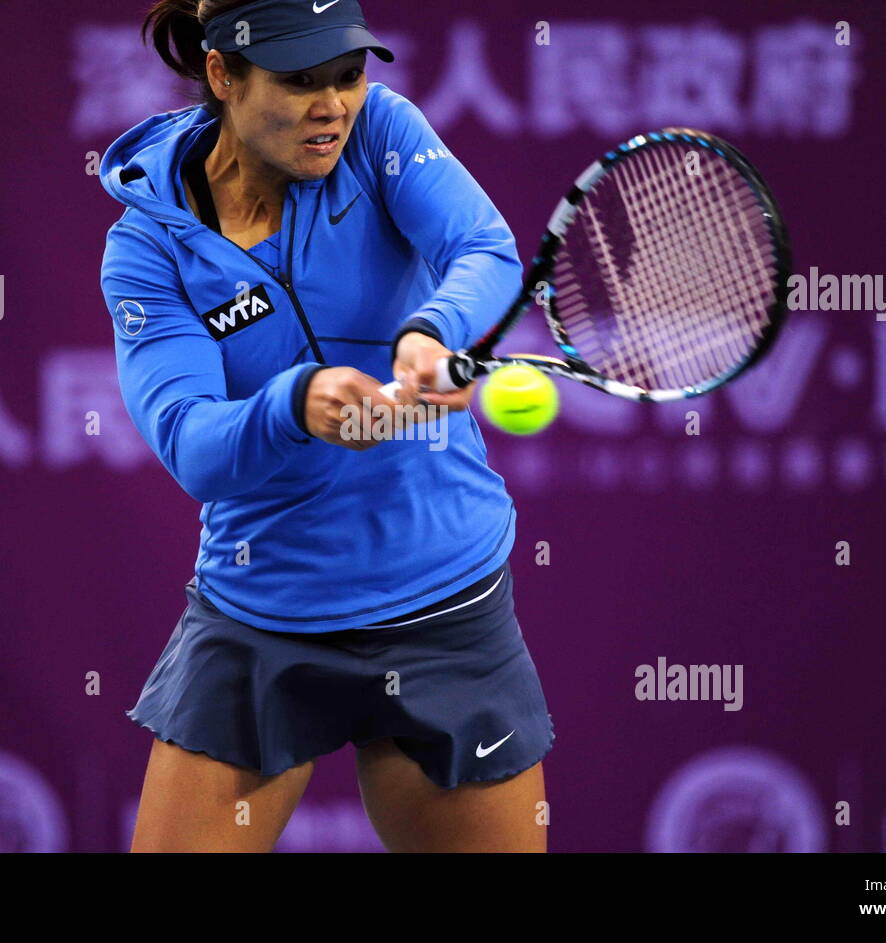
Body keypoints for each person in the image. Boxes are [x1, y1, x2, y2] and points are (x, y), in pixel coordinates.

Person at [100, 0, 553, 852]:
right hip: (263, 611)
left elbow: (485, 250)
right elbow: (191, 440)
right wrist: (294, 403)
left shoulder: (385, 132)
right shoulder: (148, 248)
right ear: (222, 73)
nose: (333, 105)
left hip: (442, 601)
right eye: (301, 81)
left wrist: (430, 335)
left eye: (347, 74)